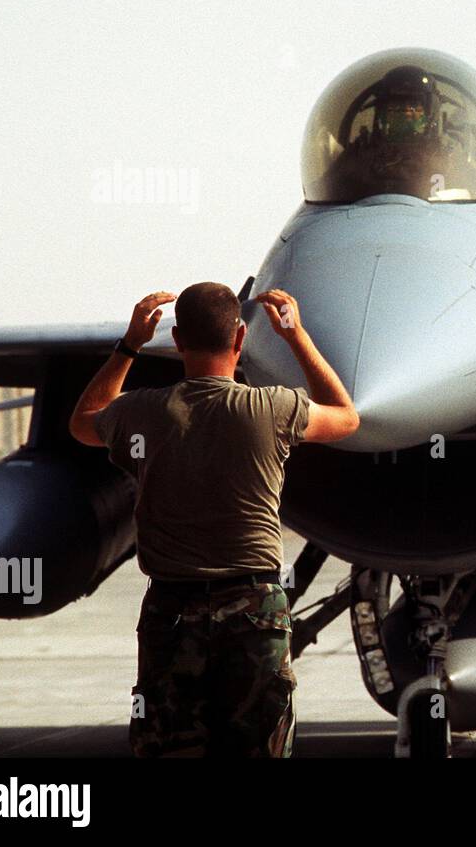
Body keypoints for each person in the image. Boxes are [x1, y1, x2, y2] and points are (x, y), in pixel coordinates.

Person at [68, 284, 359, 757]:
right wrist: (295, 336)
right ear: (240, 338)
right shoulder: (274, 409)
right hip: (255, 612)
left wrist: (130, 345)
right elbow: (346, 417)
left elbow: (84, 422)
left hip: (171, 614)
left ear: (177, 340)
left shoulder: (142, 411)